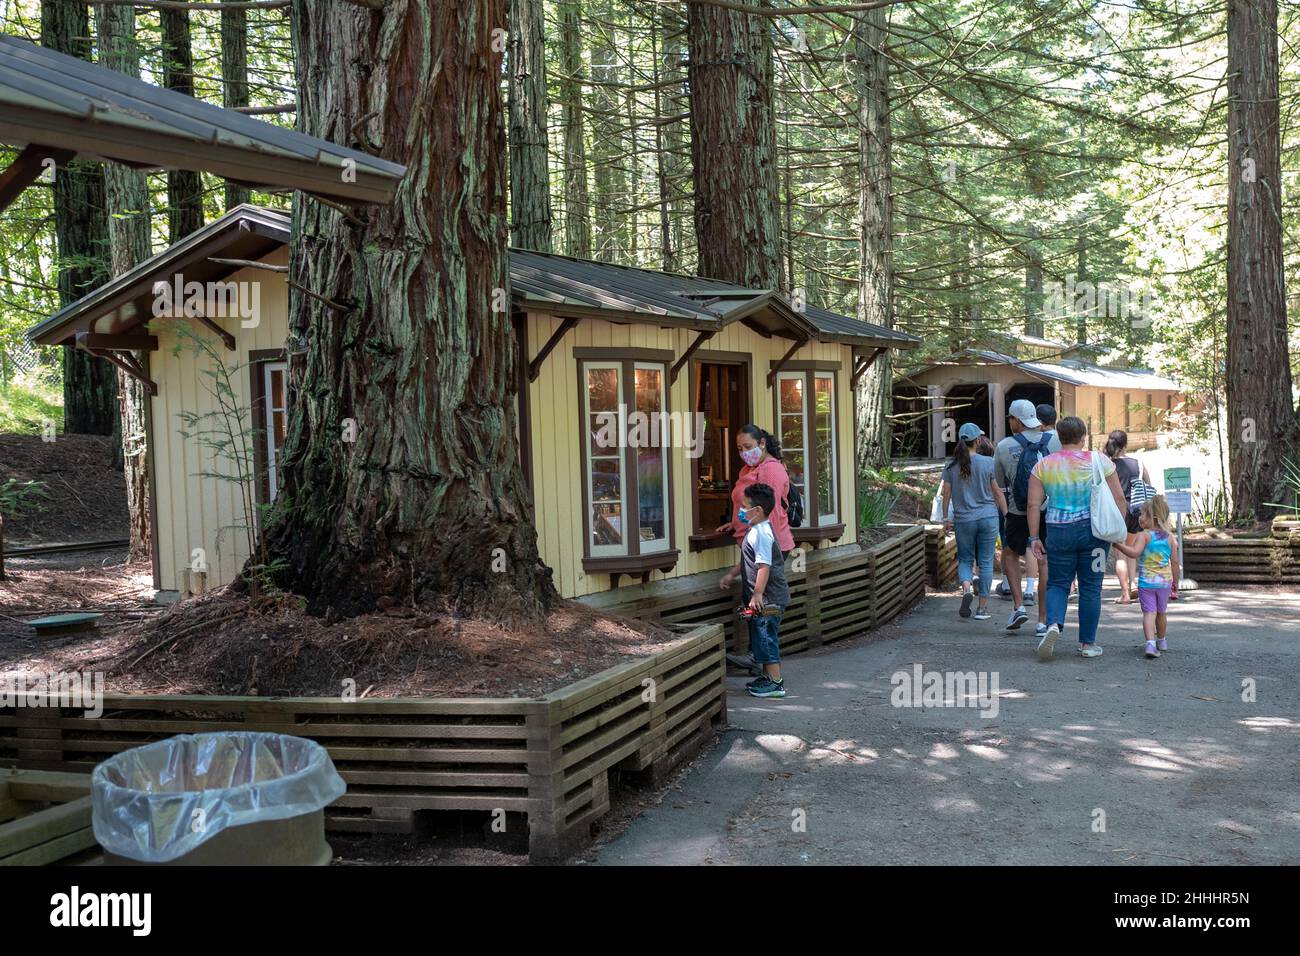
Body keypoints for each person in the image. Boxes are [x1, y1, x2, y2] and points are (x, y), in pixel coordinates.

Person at [1027, 415, 1128, 660]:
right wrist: (1116, 530)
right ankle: (1087, 644)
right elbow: (1119, 499)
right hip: (1094, 535)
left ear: (1059, 437)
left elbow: (1033, 504)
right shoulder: (1100, 461)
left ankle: (1053, 624)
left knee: (1058, 584)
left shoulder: (1043, 466)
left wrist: (1033, 538)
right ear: (1083, 437)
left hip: (1058, 533)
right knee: (1091, 588)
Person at [994, 399, 1060, 635]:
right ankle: (1043, 620)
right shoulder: (1054, 441)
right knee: (1045, 562)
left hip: (1017, 510)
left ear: (1016, 421)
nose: (1010, 422)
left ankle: (1019, 605)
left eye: (1011, 418)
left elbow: (1000, 483)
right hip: (1048, 510)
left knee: (1010, 554)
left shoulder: (1003, 446)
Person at [720, 483, 790, 698]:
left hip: (768, 599)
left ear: (757, 510)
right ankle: (768, 678)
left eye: (744, 506)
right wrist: (732, 574)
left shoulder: (761, 533)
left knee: (766, 638)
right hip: (764, 598)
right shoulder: (756, 530)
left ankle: (776, 683)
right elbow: (748, 560)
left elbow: (763, 566)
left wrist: (757, 594)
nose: (740, 511)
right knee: (761, 637)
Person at [941, 423, 1008, 621]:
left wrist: (945, 518)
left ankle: (967, 588)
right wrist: (1007, 515)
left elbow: (946, 494)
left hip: (964, 520)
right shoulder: (988, 462)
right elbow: (997, 493)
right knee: (986, 562)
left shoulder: (951, 465)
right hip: (988, 517)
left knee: (965, 559)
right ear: (977, 441)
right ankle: (982, 609)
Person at [1112, 495, 1180, 659]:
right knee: (1162, 612)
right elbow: (1175, 563)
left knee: (1149, 613)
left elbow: (1134, 554)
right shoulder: (1170, 538)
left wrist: (1119, 545)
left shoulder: (1143, 536)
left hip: (1146, 583)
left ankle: (1150, 644)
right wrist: (1175, 583)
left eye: (1142, 514)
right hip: (1164, 583)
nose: (1140, 518)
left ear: (1152, 517)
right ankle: (1162, 641)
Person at [715, 424, 794, 556]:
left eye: (748, 447)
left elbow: (771, 511)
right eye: (740, 449)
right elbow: (749, 505)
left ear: (762, 443)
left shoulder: (770, 470)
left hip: (767, 546)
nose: (744, 453)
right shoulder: (747, 469)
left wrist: (765, 551)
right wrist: (736, 521)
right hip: (753, 545)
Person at [1104, 429, 1153, 604]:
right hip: (1136, 511)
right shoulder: (1139, 463)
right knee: (1132, 551)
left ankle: (1125, 593)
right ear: (1125, 444)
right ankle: (1132, 585)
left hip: (1118, 512)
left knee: (1120, 554)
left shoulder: (1108, 465)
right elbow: (1148, 486)